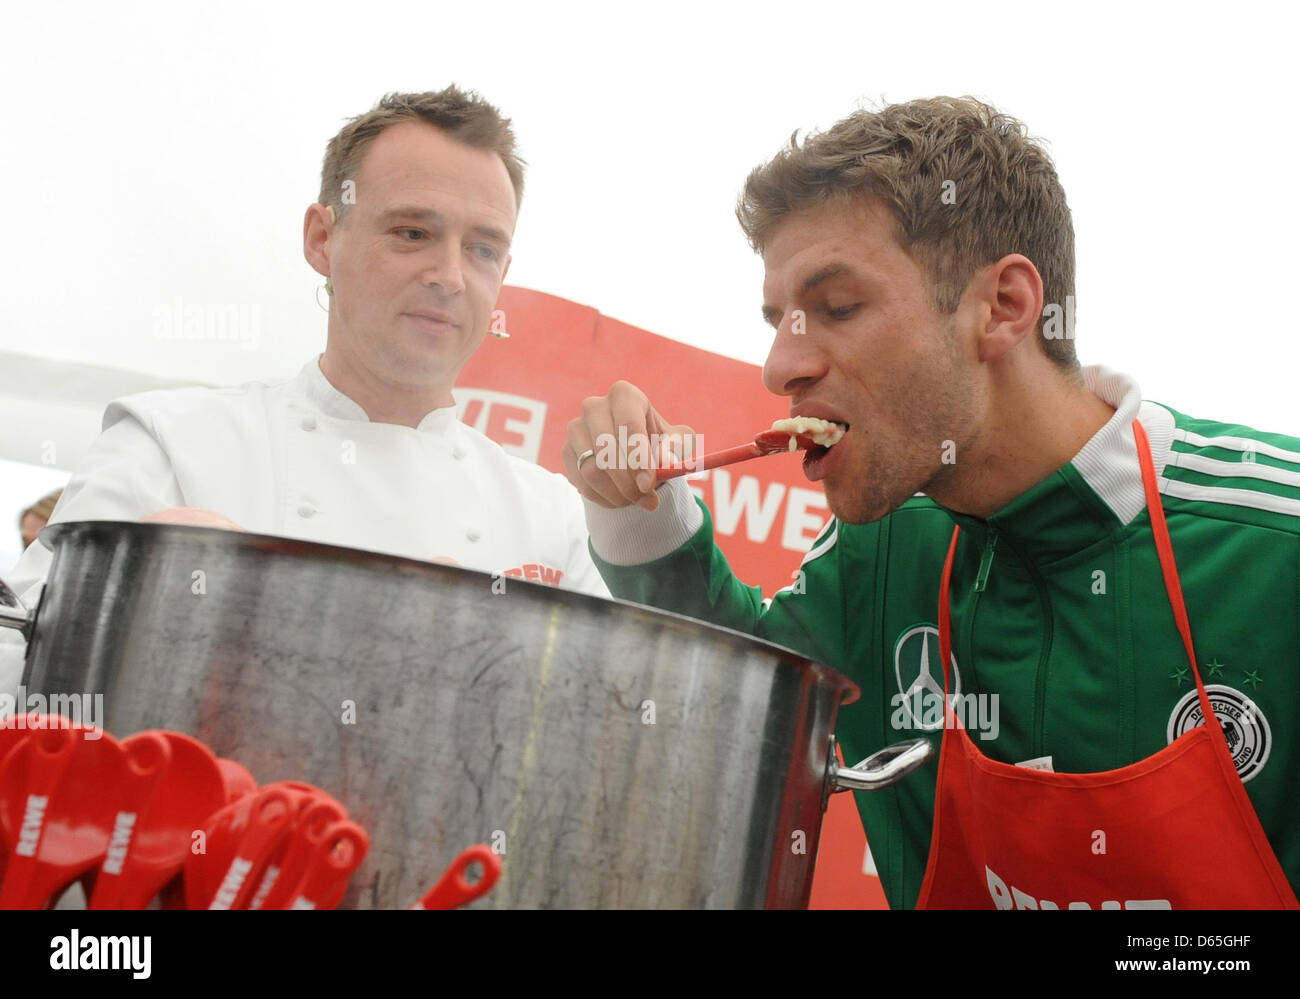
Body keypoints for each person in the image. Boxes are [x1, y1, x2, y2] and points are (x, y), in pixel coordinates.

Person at [563, 97, 1299, 910]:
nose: (779, 368)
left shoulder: (1275, 546)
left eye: (837, 307)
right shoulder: (878, 553)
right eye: (779, 321)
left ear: (1005, 307)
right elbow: (733, 699)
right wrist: (632, 505)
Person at [2, 87, 608, 696]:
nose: (450, 278)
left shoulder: (550, 516)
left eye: (482, 249)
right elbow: (20, 661)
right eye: (412, 232)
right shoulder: (171, 443)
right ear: (322, 238)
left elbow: (595, 722)